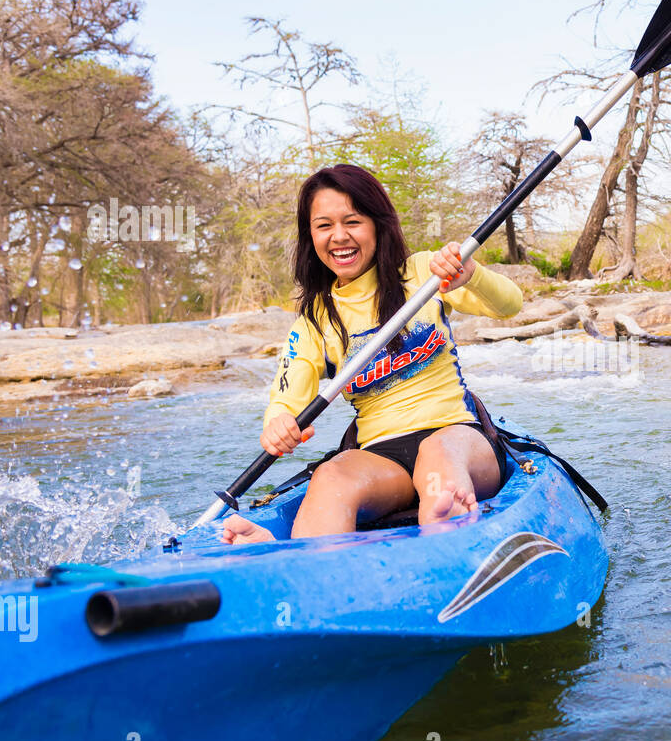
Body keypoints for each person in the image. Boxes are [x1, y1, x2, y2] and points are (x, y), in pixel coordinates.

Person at [221, 163, 523, 544]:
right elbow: (286, 398)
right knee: (331, 476)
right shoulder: (314, 319)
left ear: (378, 225)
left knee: (437, 458)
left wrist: (472, 275)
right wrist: (279, 423)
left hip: (457, 436)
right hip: (382, 458)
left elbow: (510, 306)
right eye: (324, 225)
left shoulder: (423, 273)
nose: (339, 237)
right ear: (310, 236)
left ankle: (445, 527)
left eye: (353, 221)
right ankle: (293, 557)